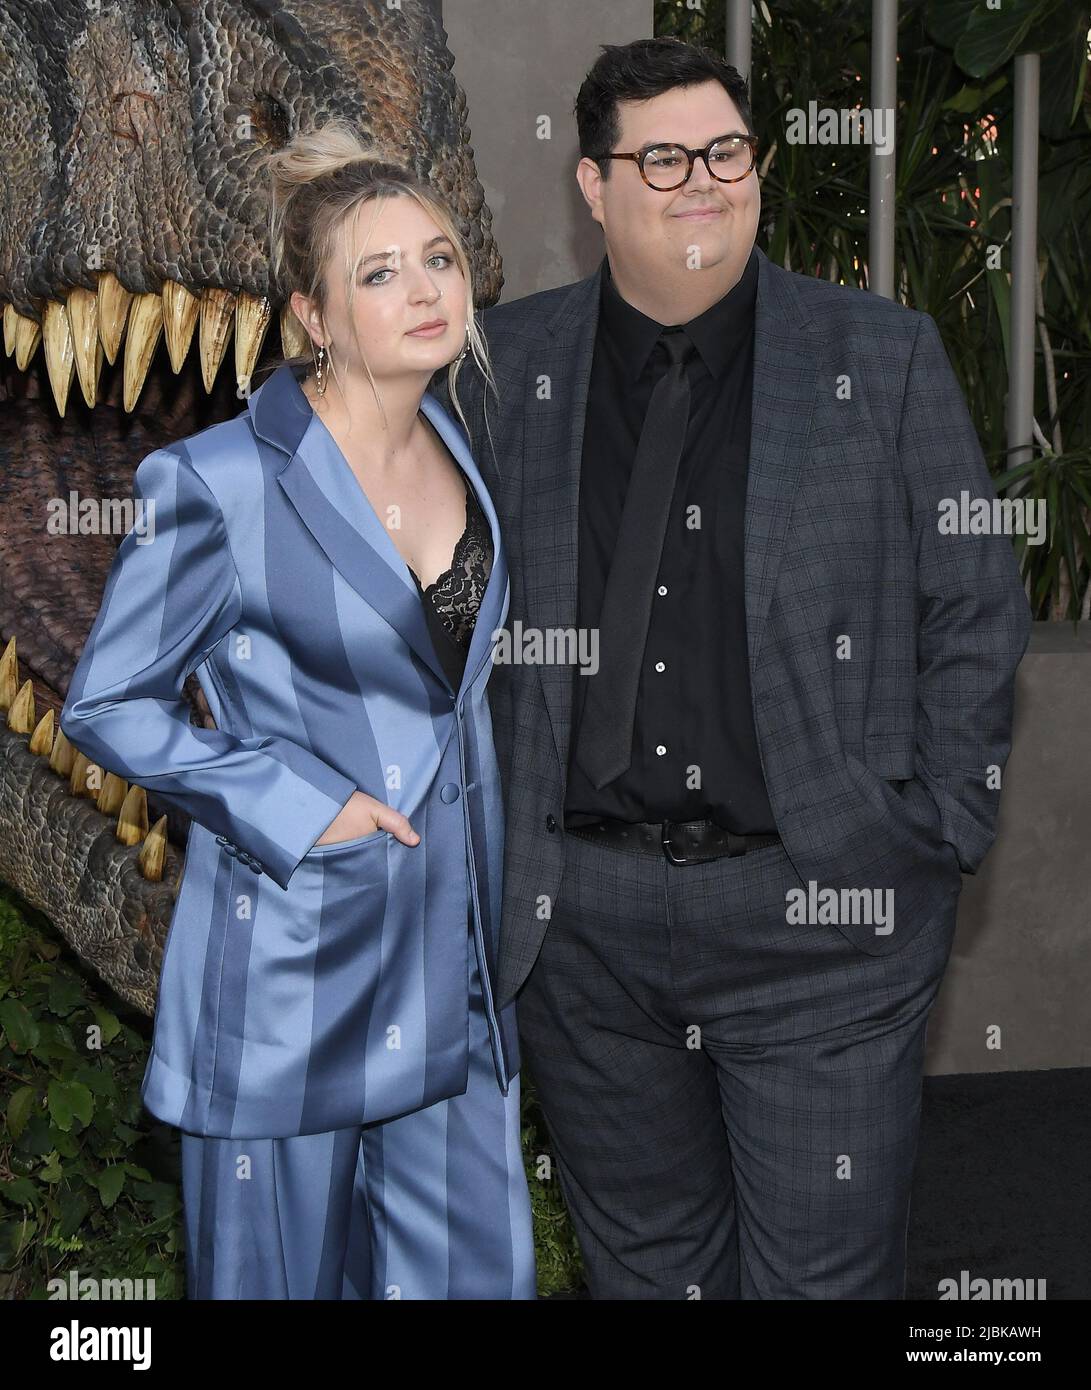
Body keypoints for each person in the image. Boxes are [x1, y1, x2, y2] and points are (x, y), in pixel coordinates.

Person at [434, 37, 1032, 1299]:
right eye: (661, 158)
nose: (702, 179)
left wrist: (932, 826)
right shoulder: (502, 367)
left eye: (724, 151)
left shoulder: (878, 356)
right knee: (648, 1274)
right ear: (594, 187)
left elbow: (974, 601)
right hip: (578, 933)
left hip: (818, 917)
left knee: (822, 1280)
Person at [60, 120, 536, 1300]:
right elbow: (108, 702)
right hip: (290, 970)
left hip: (454, 970)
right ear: (312, 317)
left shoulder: (461, 443)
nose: (424, 290)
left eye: (437, 258)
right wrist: (299, 805)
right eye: (379, 273)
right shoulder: (218, 481)